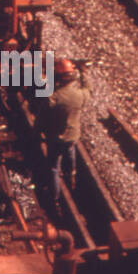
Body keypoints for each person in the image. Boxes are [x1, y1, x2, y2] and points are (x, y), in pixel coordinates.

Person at [43, 57, 92, 211]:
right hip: (71, 137)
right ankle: (71, 174)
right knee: (70, 154)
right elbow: (88, 88)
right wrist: (84, 72)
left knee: (53, 168)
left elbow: (44, 102)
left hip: (55, 138)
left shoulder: (55, 97)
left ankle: (54, 198)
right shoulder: (81, 95)